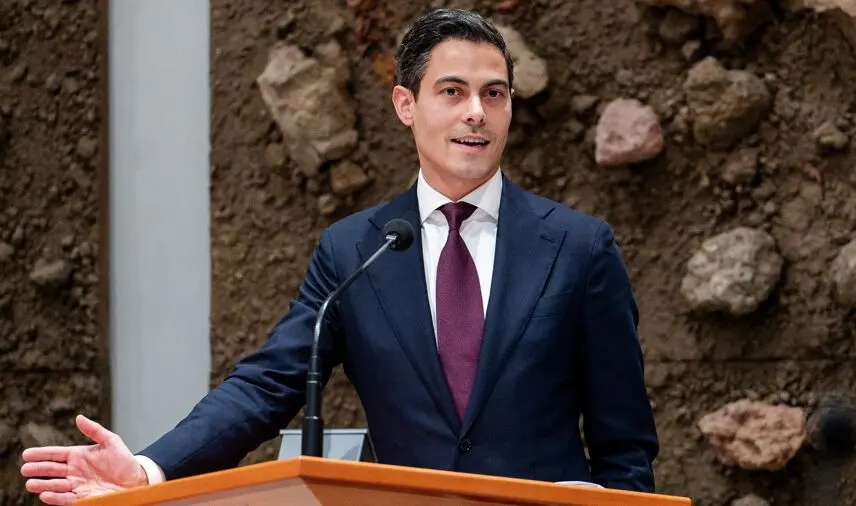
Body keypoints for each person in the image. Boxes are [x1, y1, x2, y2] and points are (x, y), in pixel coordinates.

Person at [20, 8, 659, 505]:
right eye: (452, 91)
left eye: (494, 94)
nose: (476, 113)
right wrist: (148, 469)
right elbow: (268, 384)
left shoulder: (579, 247)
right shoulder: (356, 249)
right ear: (406, 105)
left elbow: (626, 444)